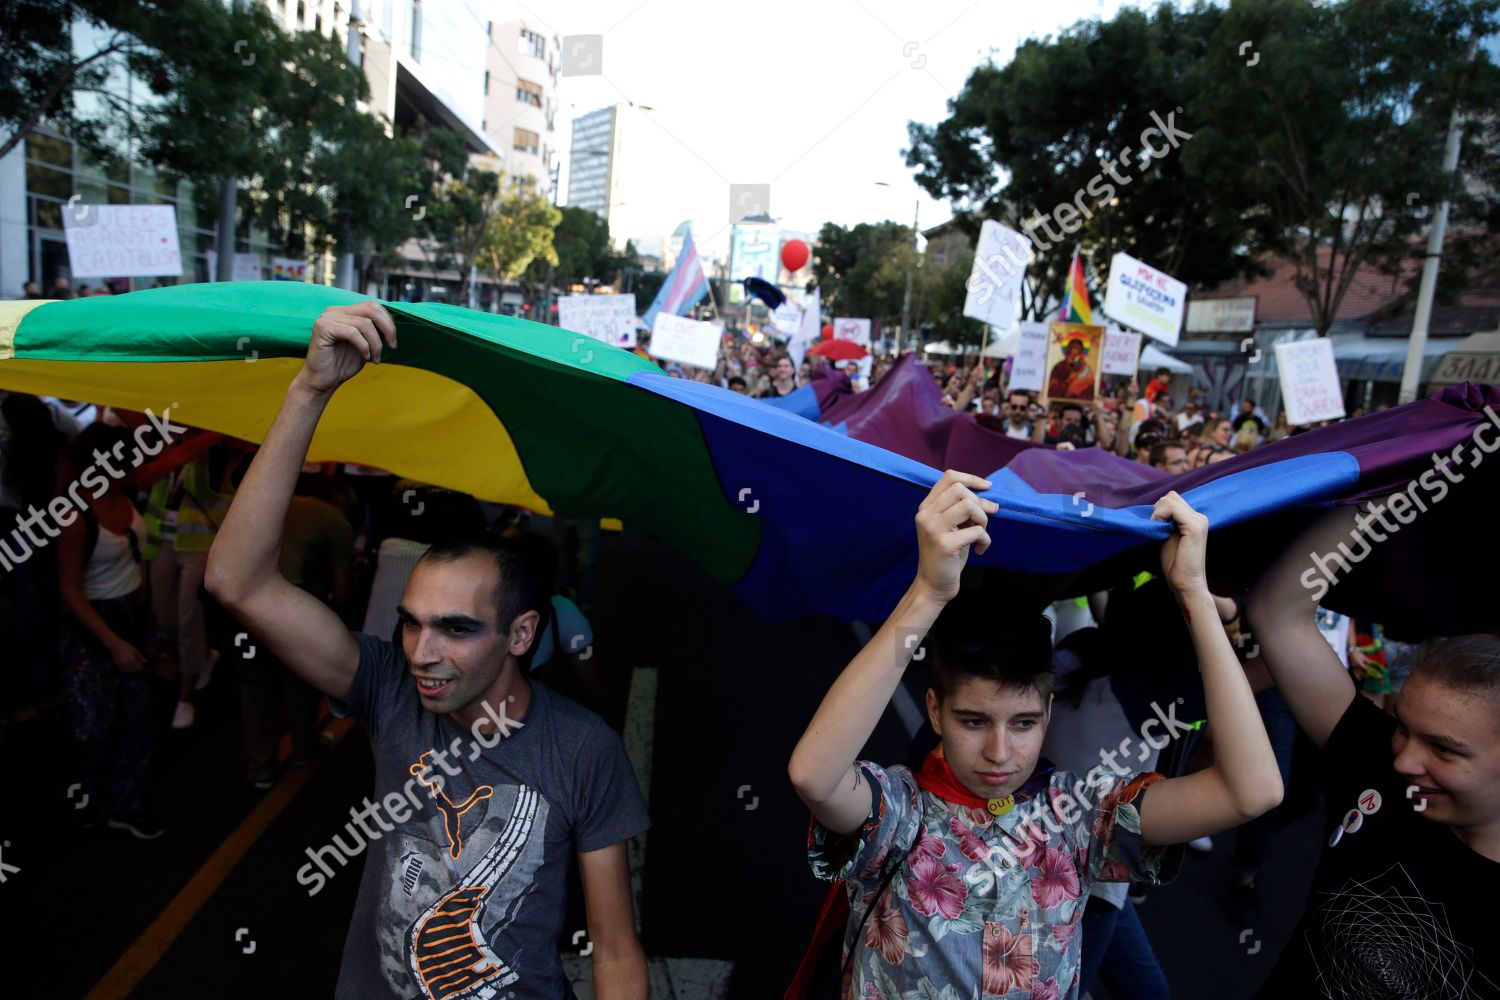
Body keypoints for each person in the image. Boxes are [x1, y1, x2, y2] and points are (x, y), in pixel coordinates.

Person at [206, 302, 650, 999]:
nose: (421, 650)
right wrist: (309, 391)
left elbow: (616, 952)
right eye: (411, 623)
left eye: (456, 628)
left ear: (523, 634)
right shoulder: (387, 692)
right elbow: (237, 581)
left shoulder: (584, 751)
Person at [788, 471, 1282, 998]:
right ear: (934, 711)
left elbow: (1253, 791)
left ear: (1047, 713)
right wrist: (926, 594)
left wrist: (1195, 597)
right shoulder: (898, 812)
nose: (1000, 754)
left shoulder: (1080, 816)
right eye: (973, 721)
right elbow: (814, 776)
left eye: (1022, 724)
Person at [1246, 502, 1500, 998]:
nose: (1404, 760)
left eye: (1445, 751)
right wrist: (1388, 488)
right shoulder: (1380, 768)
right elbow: (1278, 615)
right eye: (1402, 727)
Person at [55, 424, 158, 837]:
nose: (131, 468)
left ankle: (127, 806)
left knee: (139, 719)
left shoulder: (127, 496)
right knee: (94, 727)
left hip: (133, 619)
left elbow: (136, 559)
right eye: (123, 462)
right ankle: (91, 798)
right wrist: (113, 643)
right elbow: (68, 590)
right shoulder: (74, 515)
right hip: (93, 631)